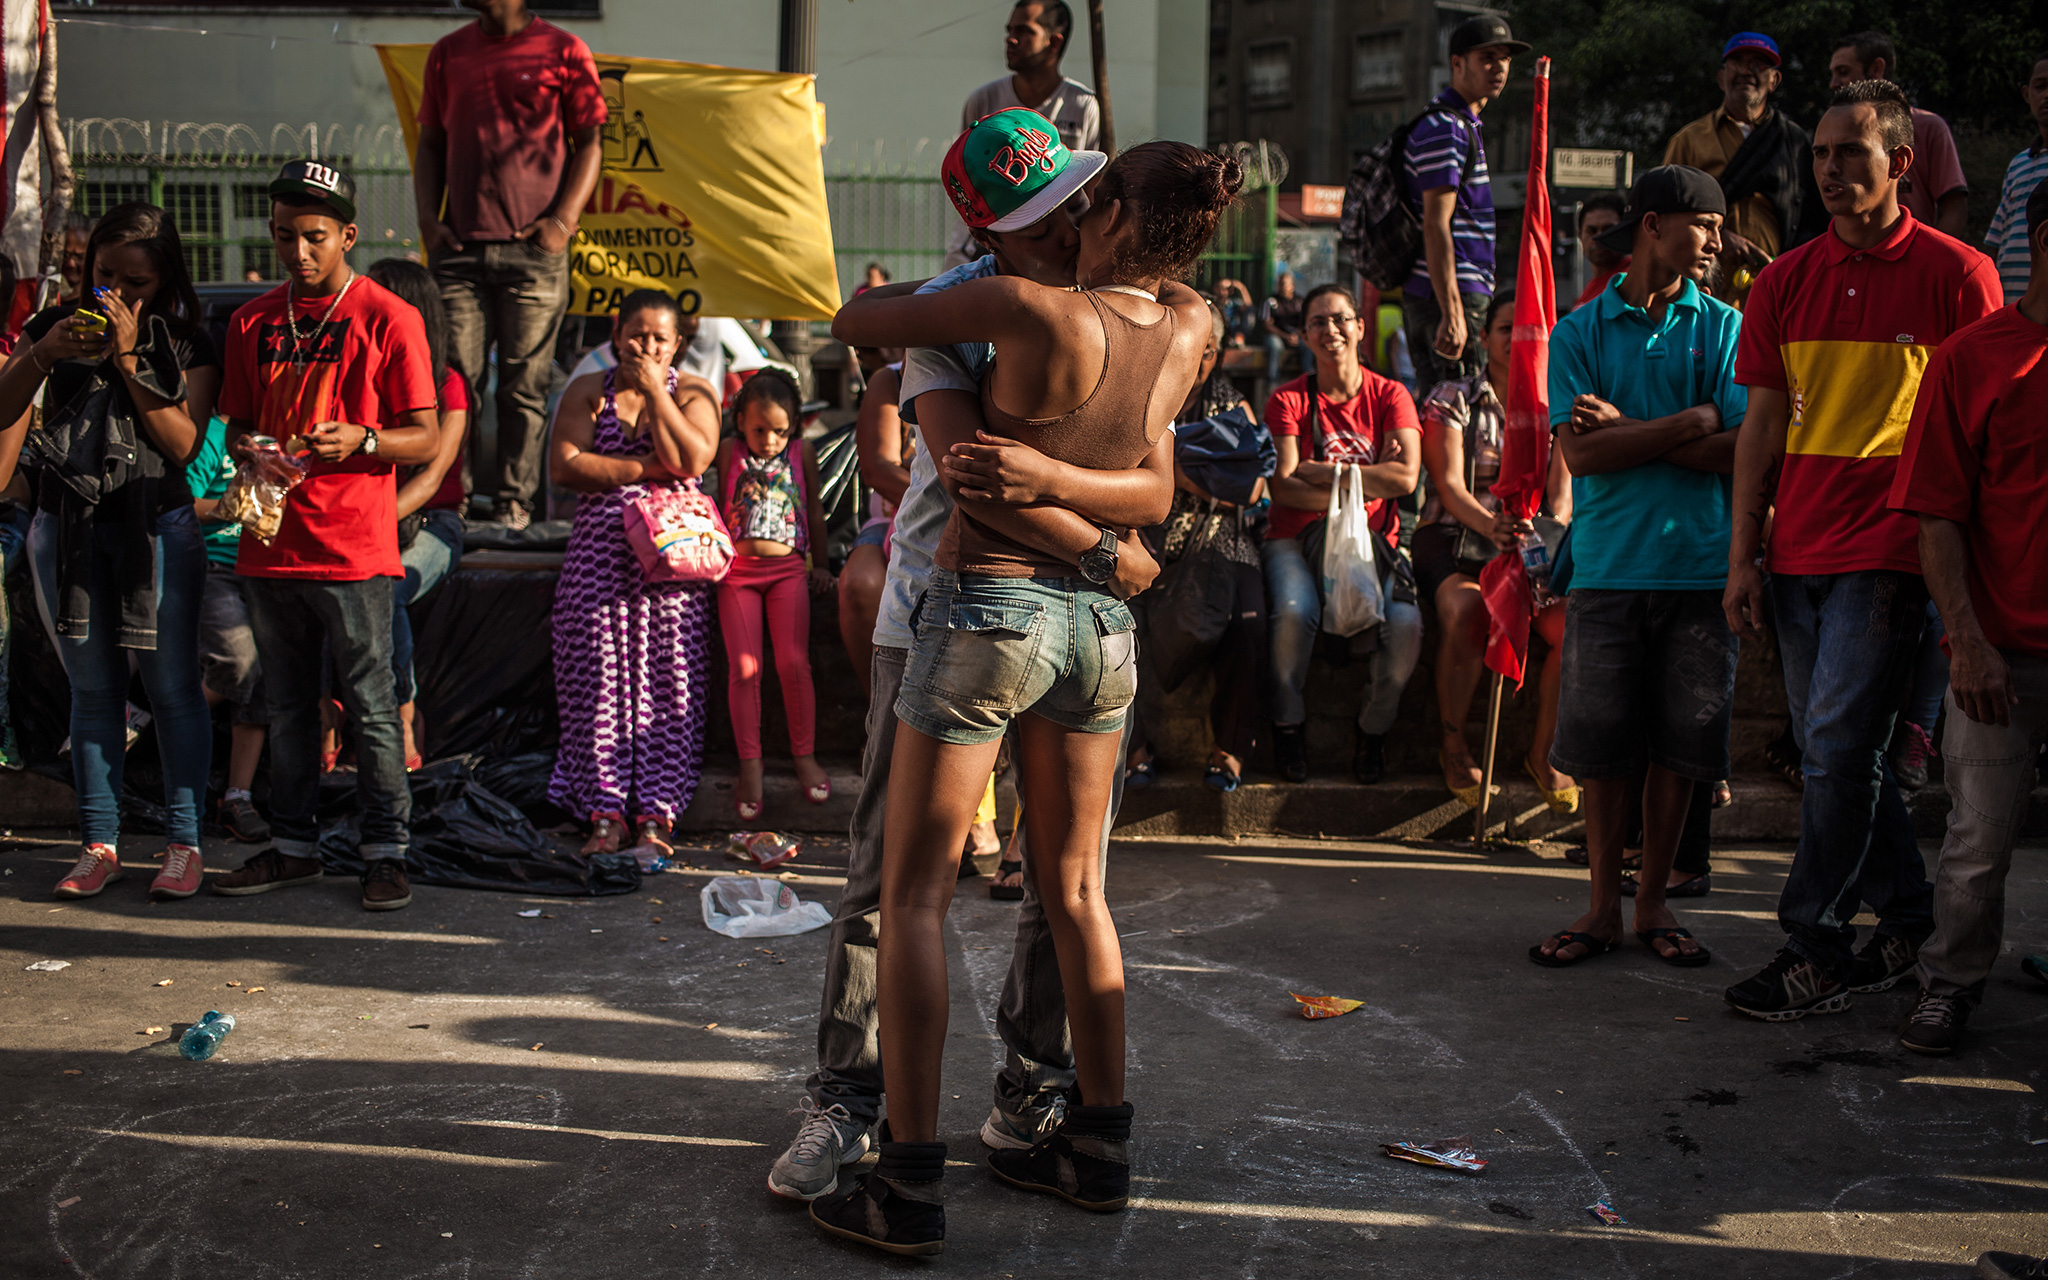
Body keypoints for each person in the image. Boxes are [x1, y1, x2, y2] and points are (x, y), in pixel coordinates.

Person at [808, 130, 1227, 1256]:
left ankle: (903, 1180)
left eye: (1086, 200)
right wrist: (1101, 543)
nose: (1069, 216)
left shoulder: (1019, 311)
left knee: (912, 901)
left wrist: (1041, 473)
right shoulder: (1189, 321)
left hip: (990, 614)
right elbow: (1149, 485)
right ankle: (1096, 1147)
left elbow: (861, 332)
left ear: (1113, 219)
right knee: (1078, 893)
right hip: (1098, 629)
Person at [1722, 81, 2002, 1019]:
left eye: (1852, 151)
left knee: (1838, 746)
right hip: (1796, 549)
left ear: (1903, 163)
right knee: (1836, 753)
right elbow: (1760, 427)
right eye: (1822, 154)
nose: (1832, 169)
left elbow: (1979, 437)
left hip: (1891, 549)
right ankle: (1911, 919)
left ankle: (1816, 942)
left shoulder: (1961, 276)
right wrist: (1742, 557)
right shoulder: (1784, 279)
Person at [203, 163, 444, 913]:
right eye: (283, 237)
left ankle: (386, 852)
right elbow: (237, 422)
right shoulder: (252, 321)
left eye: (313, 238)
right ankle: (295, 846)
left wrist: (363, 439)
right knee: (286, 705)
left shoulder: (386, 316)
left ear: (348, 235)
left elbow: (426, 437)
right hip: (270, 542)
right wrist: (250, 447)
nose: (297, 252)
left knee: (371, 706)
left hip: (352, 548)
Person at [1531, 165, 1746, 970]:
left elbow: (1741, 447)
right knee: (1604, 752)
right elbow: (1582, 454)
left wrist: (1640, 429)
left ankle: (1653, 902)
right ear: (1654, 224)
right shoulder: (1580, 331)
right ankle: (1600, 908)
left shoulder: (1725, 326)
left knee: (1680, 751)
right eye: (1705, 225)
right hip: (1609, 569)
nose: (1717, 242)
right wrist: (1691, 421)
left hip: (1700, 570)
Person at [0, 202, 218, 901]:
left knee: (173, 688)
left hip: (156, 526)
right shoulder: (51, 329)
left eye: (136, 283)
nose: (116, 296)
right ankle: (100, 844)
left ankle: (184, 844)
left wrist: (126, 356)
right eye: (104, 277)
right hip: (70, 527)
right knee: (93, 692)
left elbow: (186, 446)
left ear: (166, 278)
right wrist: (41, 355)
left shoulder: (185, 339)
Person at [1884, 179, 2048, 1056]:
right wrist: (1969, 643)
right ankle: (1948, 984)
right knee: (1978, 842)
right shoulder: (1973, 357)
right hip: (2001, 655)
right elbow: (1936, 515)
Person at [413, 0, 607, 531]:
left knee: (525, 387)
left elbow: (591, 141)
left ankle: (513, 508)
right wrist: (430, 225)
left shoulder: (564, 50)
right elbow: (430, 143)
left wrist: (562, 224)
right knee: (456, 383)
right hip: (459, 252)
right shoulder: (447, 53)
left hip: (534, 255)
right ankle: (450, 501)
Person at [547, 290, 721, 857]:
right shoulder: (586, 392)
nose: (646, 346)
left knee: (669, 685)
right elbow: (565, 465)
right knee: (596, 683)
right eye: (637, 334)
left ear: (677, 345)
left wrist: (653, 393)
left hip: (670, 569)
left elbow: (693, 459)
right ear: (617, 334)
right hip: (599, 561)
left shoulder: (694, 392)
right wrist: (649, 469)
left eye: (660, 338)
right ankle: (603, 812)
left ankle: (656, 817)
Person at [1415, 291, 1575, 810]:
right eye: (1506, 328)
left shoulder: (1558, 402)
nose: (1518, 339)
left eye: (1530, 330)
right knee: (1466, 611)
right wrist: (1493, 525)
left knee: (1574, 629)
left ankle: (1546, 750)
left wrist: (1536, 527)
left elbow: (1560, 498)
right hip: (1458, 536)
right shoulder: (1452, 396)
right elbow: (1448, 485)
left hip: (1528, 544)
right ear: (1485, 338)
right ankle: (1454, 742)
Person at [1262, 283, 1423, 786]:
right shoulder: (1288, 399)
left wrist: (1318, 470)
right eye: (1317, 322)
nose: (1330, 330)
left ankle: (1372, 733)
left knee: (1406, 626)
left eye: (1339, 319)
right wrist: (1367, 477)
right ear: (1304, 335)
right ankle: (1288, 727)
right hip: (1295, 537)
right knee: (1293, 613)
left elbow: (1407, 479)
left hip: (1375, 545)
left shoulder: (1391, 395)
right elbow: (1283, 490)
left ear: (1358, 326)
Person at [1125, 300, 1271, 792]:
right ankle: (1133, 749)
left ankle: (1228, 748)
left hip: (1218, 535)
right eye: (1192, 347)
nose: (1199, 359)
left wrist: (1172, 472)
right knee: (1112, 611)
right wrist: (1197, 474)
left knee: (1249, 621)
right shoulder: (1138, 393)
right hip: (1146, 531)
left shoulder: (1231, 404)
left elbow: (1252, 490)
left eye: (1210, 351)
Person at [716, 368, 835, 821]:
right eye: (759, 429)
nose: (769, 440)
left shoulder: (802, 452)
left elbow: (815, 512)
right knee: (745, 668)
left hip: (788, 572)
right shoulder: (729, 451)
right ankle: (751, 764)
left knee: (792, 663)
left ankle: (803, 755)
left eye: (779, 430)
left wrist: (820, 565)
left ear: (796, 427)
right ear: (741, 421)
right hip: (737, 574)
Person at [364, 258, 469, 770]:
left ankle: (404, 714)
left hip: (433, 521)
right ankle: (331, 712)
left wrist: (369, 522)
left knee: (388, 586)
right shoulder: (363, 370)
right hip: (368, 519)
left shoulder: (449, 382)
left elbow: (432, 477)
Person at [1402, 14, 1524, 388]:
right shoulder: (1446, 128)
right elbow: (1436, 223)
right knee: (1459, 412)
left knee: (1450, 409)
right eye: (1487, 57)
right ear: (1457, 63)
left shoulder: (1461, 125)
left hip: (1449, 292)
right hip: (1448, 295)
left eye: (1504, 58)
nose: (1499, 67)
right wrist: (1452, 310)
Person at [941, 0, 1101, 270]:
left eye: (1024, 31)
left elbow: (1089, 188)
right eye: (1009, 30)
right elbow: (967, 179)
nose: (1010, 40)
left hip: (1054, 252)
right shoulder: (984, 100)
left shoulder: (1082, 104)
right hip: (987, 247)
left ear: (1054, 42)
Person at [1663, 32, 1821, 302]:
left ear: (1775, 80)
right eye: (1737, 63)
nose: (1747, 72)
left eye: (1759, 65)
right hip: (1704, 288)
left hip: (1776, 289)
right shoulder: (1688, 141)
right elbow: (1665, 213)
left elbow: (1812, 219)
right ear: (1721, 77)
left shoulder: (1794, 142)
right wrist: (1719, 238)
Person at [188, 413, 272, 843]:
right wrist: (229, 508)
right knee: (238, 661)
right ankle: (162, 718)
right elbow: (181, 500)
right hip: (217, 565)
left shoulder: (283, 430)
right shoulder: (212, 435)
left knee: (262, 669)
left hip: (268, 568)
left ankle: (237, 797)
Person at [1827, 32, 1968, 237]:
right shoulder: (1831, 133)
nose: (1834, 83)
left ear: (1877, 69)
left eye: (1843, 72)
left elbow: (1954, 206)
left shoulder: (1927, 127)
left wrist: (1932, 260)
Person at [839, 346, 907, 700]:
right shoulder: (891, 381)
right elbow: (879, 469)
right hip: (892, 513)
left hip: (963, 516)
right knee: (861, 585)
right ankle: (877, 707)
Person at [1985, 54, 2048, 305]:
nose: (2046, 95)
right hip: (2013, 306)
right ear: (2026, 94)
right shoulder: (2019, 164)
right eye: (2040, 86)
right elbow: (1997, 238)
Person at [1572, 192, 1629, 310]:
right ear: (1580, 235)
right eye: (1591, 231)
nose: (1599, 238)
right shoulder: (1590, 290)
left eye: (1608, 230)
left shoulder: (1632, 281)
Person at [1260, 270, 1304, 382]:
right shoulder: (1270, 301)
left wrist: (1296, 335)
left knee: (1308, 345)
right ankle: (1272, 381)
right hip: (1278, 336)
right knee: (1274, 345)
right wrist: (1285, 336)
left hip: (1297, 336)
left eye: (1284, 284)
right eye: (1279, 284)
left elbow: (1306, 322)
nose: (1282, 287)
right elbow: (1267, 324)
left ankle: (1308, 379)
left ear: (1292, 286)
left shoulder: (1300, 302)